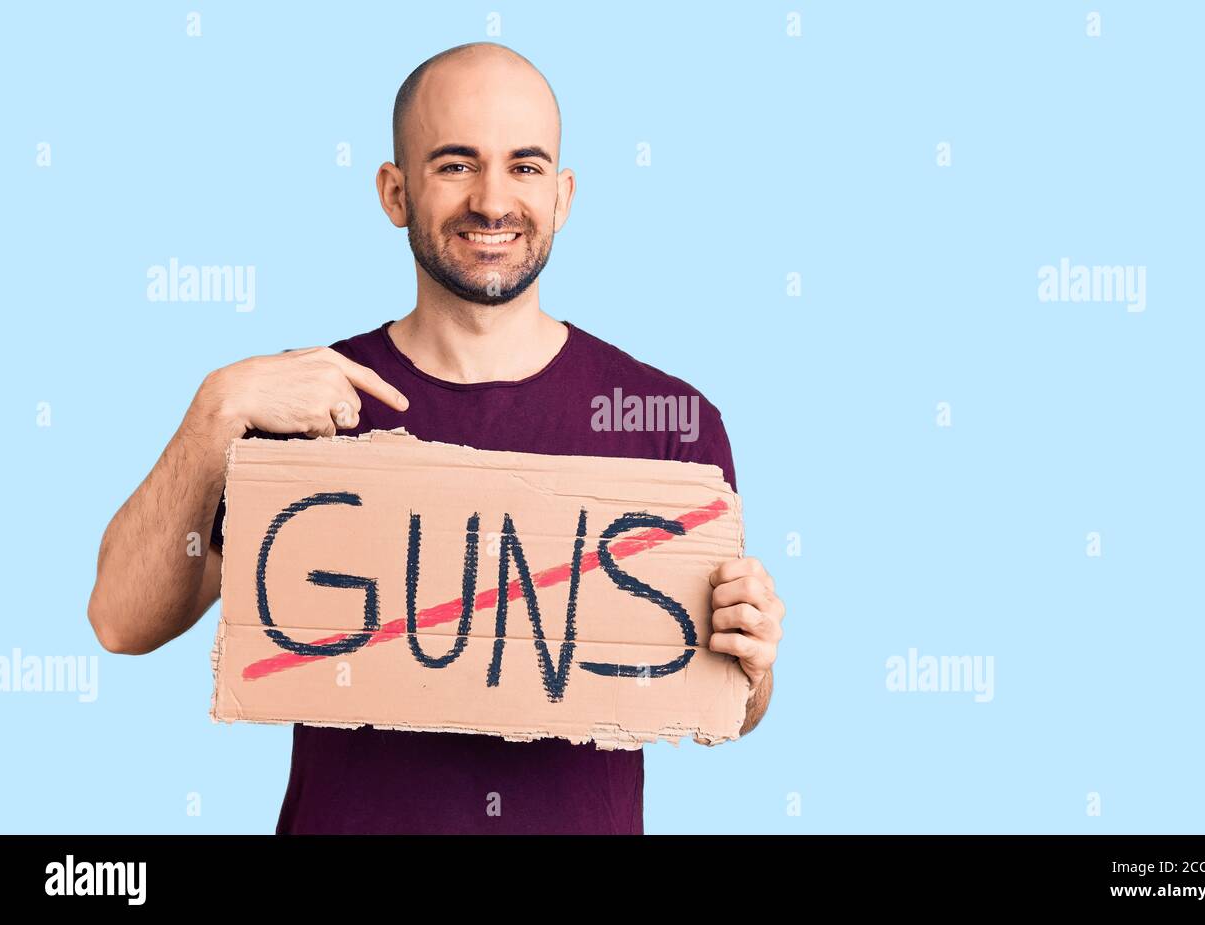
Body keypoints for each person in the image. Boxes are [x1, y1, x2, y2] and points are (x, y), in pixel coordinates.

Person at [87, 42, 784, 834]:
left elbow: (732, 704)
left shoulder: (664, 419)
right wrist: (215, 410)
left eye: (524, 166)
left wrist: (755, 661)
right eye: (456, 164)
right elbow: (120, 621)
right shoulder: (304, 401)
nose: (493, 201)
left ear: (562, 196)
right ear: (396, 192)